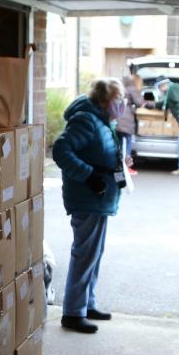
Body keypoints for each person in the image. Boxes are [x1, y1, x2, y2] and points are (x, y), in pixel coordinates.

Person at [52, 79, 124, 334]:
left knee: (94, 252)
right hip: (88, 198)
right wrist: (89, 175)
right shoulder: (86, 120)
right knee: (85, 254)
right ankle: (73, 312)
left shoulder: (102, 122)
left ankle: (87, 304)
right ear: (104, 100)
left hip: (99, 198)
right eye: (118, 99)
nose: (122, 104)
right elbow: (61, 150)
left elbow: (99, 153)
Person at [116, 74, 142, 172]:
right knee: (128, 142)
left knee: (118, 143)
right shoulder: (132, 88)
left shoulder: (118, 88)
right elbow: (139, 102)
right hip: (126, 121)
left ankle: (119, 166)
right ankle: (126, 167)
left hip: (117, 118)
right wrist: (151, 104)